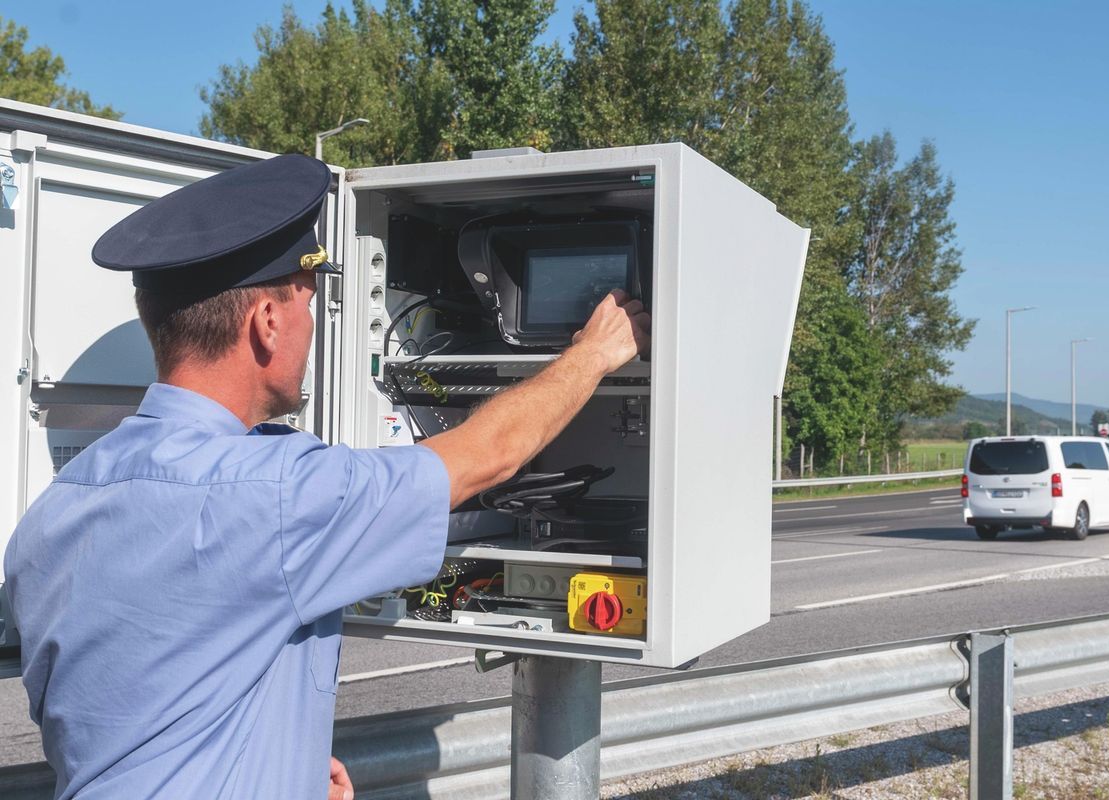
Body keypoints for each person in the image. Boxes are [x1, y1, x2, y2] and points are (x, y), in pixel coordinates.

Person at [2, 154, 650, 799]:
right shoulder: (277, 495)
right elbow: (490, 453)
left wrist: (279, 767)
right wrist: (594, 353)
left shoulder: (54, 510)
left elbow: (151, 704)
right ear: (268, 321)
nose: (315, 328)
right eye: (308, 303)